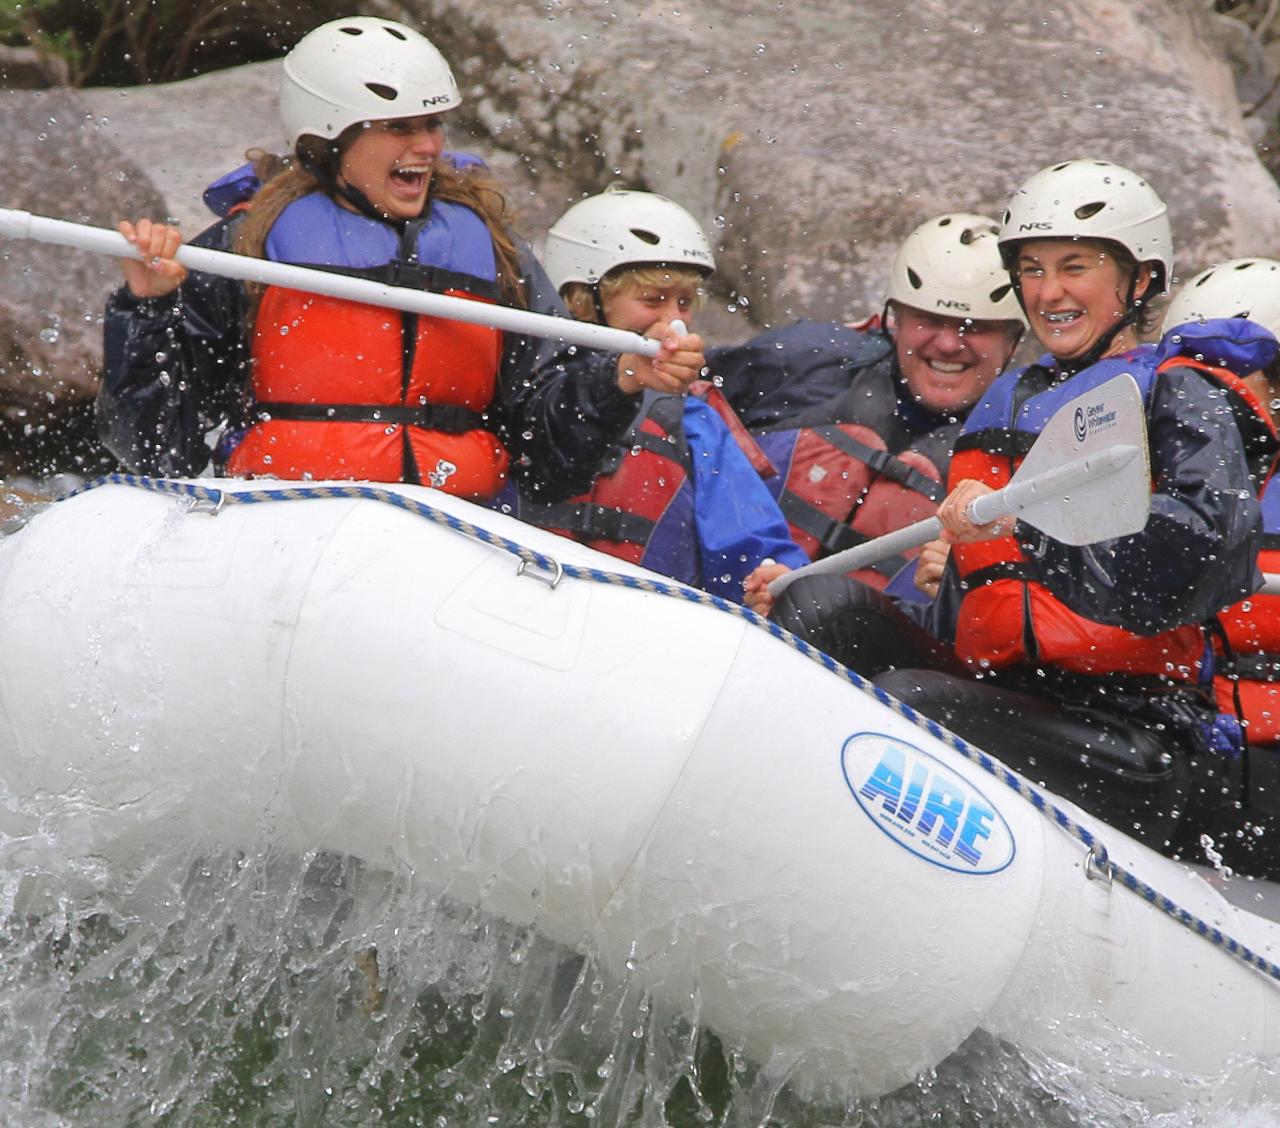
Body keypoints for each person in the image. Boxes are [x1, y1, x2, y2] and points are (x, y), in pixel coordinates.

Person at [778, 159, 1270, 871]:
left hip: (1137, 728)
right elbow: (985, 611)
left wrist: (1031, 527)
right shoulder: (1004, 400)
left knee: (912, 706)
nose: (1049, 291)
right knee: (817, 607)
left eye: (1076, 267)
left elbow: (1200, 564)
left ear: (1137, 282)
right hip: (1006, 694)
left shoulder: (1180, 392)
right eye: (1033, 270)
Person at [96, 16, 703, 503]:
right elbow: (154, 448)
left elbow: (548, 462)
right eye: (399, 126)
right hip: (288, 520)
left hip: (452, 529)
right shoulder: (250, 248)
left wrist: (618, 379)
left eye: (433, 124)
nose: (430, 145)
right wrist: (149, 310)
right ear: (330, 137)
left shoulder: (491, 252)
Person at [513, 185, 808, 602]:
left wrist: (773, 579)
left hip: (642, 628)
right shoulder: (520, 390)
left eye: (684, 303)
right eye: (653, 300)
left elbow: (752, 545)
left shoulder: (692, 421)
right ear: (580, 301)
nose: (674, 324)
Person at [730, 212, 1025, 614]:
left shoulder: (1023, 448)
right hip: (728, 611)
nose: (949, 344)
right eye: (930, 319)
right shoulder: (804, 362)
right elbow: (672, 401)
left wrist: (957, 596)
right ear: (895, 319)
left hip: (864, 661)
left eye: (974, 327)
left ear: (1013, 341)